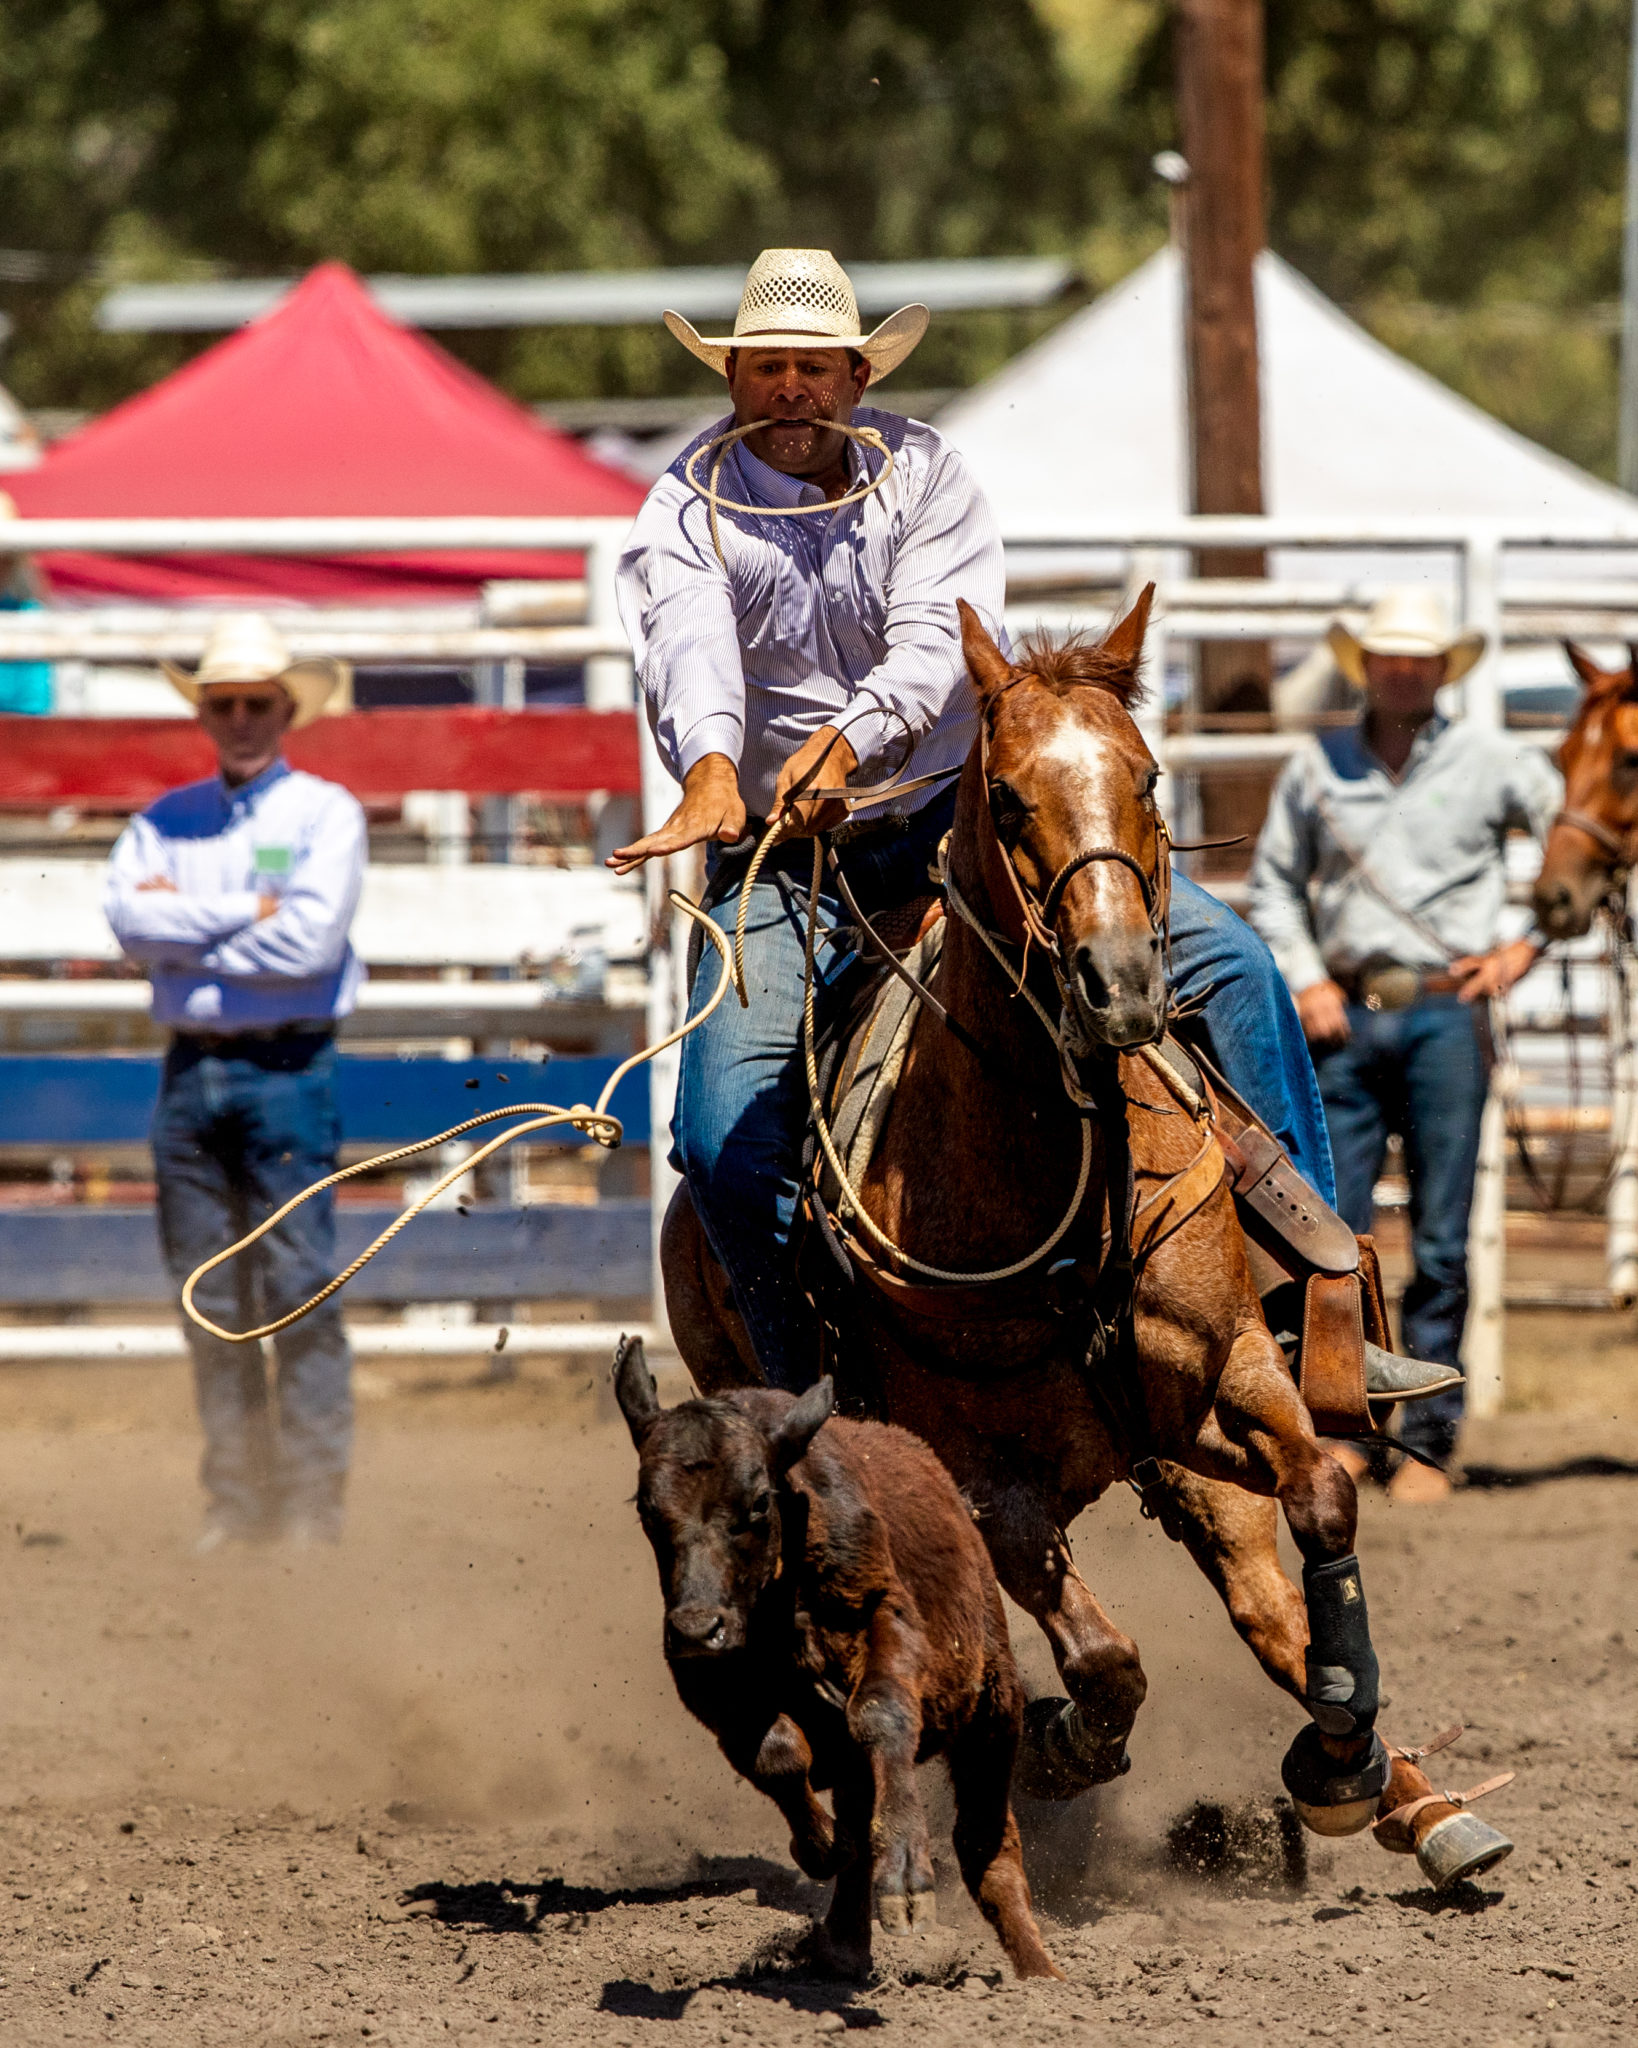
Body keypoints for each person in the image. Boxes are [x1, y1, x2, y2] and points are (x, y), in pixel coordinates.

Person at [611, 247, 1370, 1397]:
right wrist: (717, 765)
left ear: (859, 375)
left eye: (813, 367)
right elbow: (687, 642)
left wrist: (842, 744)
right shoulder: (684, 503)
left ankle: (1311, 1307)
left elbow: (935, 645)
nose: (790, 390)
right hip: (777, 864)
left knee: (1235, 964)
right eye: (767, 366)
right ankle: (799, 1394)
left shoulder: (927, 477)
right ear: (733, 377)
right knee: (721, 1136)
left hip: (946, 834)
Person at [1248, 588, 1562, 1500]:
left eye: (1417, 658)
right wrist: (1305, 975)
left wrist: (1523, 946)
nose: (1402, 670)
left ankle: (1425, 1437)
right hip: (1344, 1010)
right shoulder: (1318, 766)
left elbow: (1580, 834)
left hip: (1443, 1010)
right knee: (1330, 1231)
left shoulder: (1495, 761)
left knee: (1441, 1232)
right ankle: (1342, 1430)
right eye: (1389, 656)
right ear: (1369, 665)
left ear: (1437, 670)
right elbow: (1276, 883)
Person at [105, 616, 365, 1549]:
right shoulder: (166, 820)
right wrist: (250, 911)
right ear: (206, 711)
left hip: (283, 1067)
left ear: (285, 707)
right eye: (226, 703)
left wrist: (188, 927)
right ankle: (244, 1496)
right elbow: (130, 924)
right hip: (204, 1074)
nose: (243, 716)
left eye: (257, 702)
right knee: (212, 1297)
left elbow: (310, 943)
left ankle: (303, 1499)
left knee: (295, 1284)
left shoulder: (321, 813)